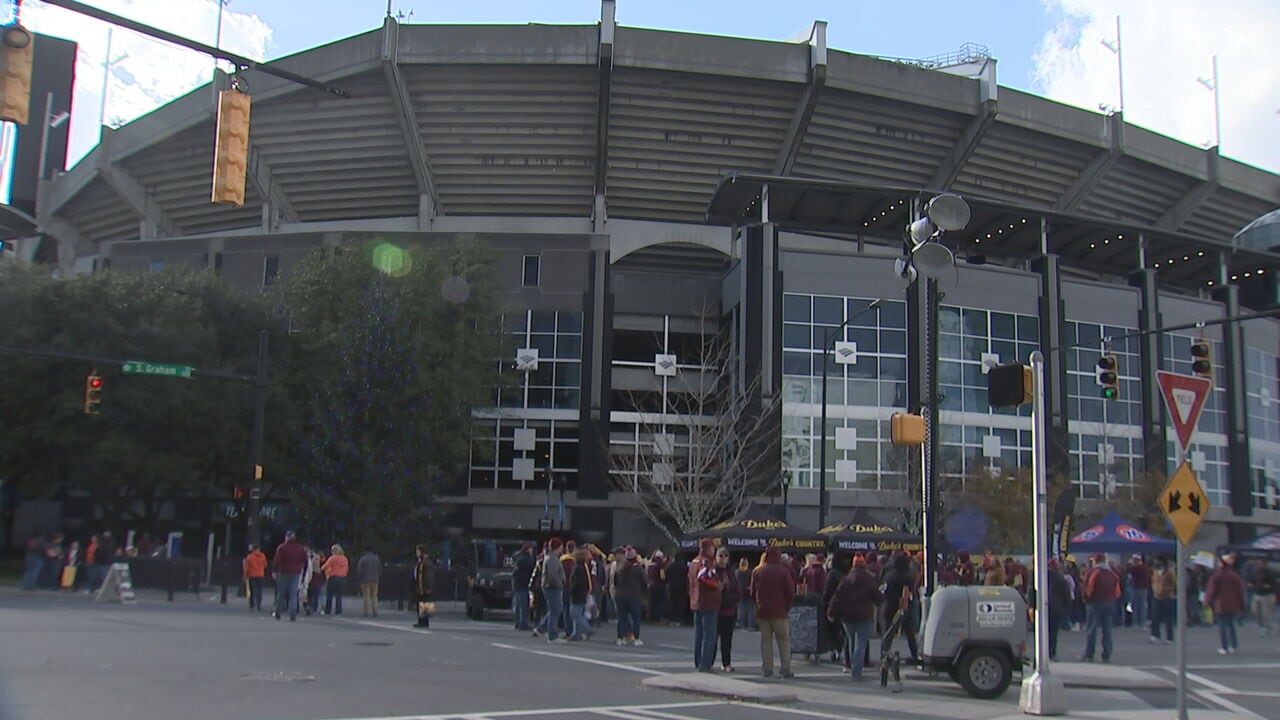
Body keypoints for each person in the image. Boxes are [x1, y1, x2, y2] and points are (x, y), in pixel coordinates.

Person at [828, 553, 882, 681]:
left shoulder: (845, 579)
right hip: (864, 616)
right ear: (864, 565)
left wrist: (831, 612)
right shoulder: (869, 579)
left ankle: (853, 667)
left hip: (848, 617)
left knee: (852, 643)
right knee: (860, 644)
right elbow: (878, 598)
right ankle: (856, 672)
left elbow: (837, 597)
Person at [752, 546, 797, 679]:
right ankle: (786, 668)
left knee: (766, 641)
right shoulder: (783, 572)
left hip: (762, 611)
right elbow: (790, 592)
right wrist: (787, 607)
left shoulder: (757, 571)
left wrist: (757, 606)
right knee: (783, 641)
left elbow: (752, 592)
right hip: (780, 612)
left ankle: (767, 668)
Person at [688, 538, 723, 672]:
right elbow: (704, 577)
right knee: (709, 635)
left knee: (699, 634)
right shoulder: (706, 562)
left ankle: (698, 662)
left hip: (696, 602)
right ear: (709, 548)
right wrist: (717, 585)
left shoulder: (694, 561)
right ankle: (705, 664)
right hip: (708, 602)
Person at [1080, 553, 1121, 662]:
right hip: (1109, 603)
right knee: (1107, 630)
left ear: (1096, 561)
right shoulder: (1112, 573)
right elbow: (1117, 591)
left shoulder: (1093, 572)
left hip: (1095, 603)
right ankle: (1107, 654)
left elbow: (1088, 588)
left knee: (1091, 629)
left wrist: (1086, 599)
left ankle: (1089, 654)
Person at [1204, 552, 1246, 654]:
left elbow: (1211, 590)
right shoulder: (1235, 576)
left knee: (1222, 625)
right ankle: (1234, 646)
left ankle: (1224, 647)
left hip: (1220, 604)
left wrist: (1207, 602)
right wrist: (1241, 605)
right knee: (1231, 624)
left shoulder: (1216, 576)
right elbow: (1240, 591)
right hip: (1233, 604)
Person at [881, 552, 920, 663]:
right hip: (901, 607)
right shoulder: (906, 576)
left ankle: (884, 656)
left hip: (887, 605)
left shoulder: (888, 574)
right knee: (909, 632)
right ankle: (914, 654)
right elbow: (908, 593)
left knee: (887, 632)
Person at [610, 545, 648, 646]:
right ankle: (636, 638)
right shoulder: (638, 569)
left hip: (620, 595)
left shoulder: (619, 568)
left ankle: (620, 638)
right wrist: (645, 595)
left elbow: (615, 582)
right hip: (634, 595)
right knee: (636, 618)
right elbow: (644, 582)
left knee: (622, 618)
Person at [714, 547, 740, 672]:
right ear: (716, 557)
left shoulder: (731, 572)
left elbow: (736, 588)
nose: (723, 558)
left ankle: (726, 663)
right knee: (712, 638)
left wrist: (735, 599)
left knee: (727, 639)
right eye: (721, 555)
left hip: (730, 610)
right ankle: (709, 662)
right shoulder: (713, 571)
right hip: (716, 609)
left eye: (725, 555)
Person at [271, 531, 308, 621]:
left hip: (284, 572)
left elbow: (277, 560)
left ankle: (278, 612)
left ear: (287, 537)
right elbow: (305, 560)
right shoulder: (300, 548)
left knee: (281, 593)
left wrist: (274, 570)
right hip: (296, 572)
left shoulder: (282, 547)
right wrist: (302, 570)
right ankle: (292, 613)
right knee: (293, 593)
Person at [539, 538, 567, 643]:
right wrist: (560, 584)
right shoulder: (552, 559)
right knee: (555, 610)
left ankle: (544, 629)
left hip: (550, 586)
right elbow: (553, 575)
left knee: (553, 610)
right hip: (552, 587)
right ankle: (552, 635)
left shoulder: (551, 557)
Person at [1149, 557, 1176, 644]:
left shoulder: (1170, 572)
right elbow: (1153, 582)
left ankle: (1169, 637)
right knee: (1154, 616)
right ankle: (1155, 635)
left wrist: (1166, 590)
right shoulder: (1155, 572)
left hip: (1167, 597)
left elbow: (1174, 584)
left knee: (1168, 618)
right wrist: (1155, 590)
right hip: (1157, 597)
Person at [568, 547, 593, 641]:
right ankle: (576, 634)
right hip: (582, 593)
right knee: (578, 613)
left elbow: (577, 582)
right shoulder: (583, 567)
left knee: (575, 614)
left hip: (577, 594)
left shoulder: (578, 568)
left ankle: (587, 629)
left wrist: (571, 590)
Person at [1246, 558, 1275, 636]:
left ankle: (1265, 628)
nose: (1258, 565)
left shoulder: (1269, 572)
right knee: (1255, 610)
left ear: (1264, 564)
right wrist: (1250, 583)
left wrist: (1268, 586)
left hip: (1267, 595)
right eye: (1257, 563)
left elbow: (1273, 582)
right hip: (1257, 593)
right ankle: (1264, 625)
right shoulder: (1256, 571)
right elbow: (1252, 579)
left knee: (1266, 613)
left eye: (1260, 563)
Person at [511, 542, 535, 631]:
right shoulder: (525, 559)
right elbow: (531, 566)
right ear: (527, 549)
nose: (532, 550)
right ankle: (523, 623)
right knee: (524, 604)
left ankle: (518, 622)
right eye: (531, 549)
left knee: (518, 604)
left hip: (517, 582)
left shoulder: (518, 557)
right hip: (522, 583)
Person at [321, 544, 349, 616]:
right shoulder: (345, 558)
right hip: (342, 578)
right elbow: (347, 569)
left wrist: (322, 568)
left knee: (329, 594)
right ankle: (338, 610)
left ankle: (328, 610)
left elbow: (325, 566)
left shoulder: (332, 558)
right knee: (339, 595)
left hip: (333, 577)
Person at [1127, 554, 1152, 631]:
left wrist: (1130, 564)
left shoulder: (1134, 568)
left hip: (1135, 588)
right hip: (1144, 589)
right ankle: (1143, 623)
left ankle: (1136, 623)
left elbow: (1129, 571)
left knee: (1135, 607)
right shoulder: (1145, 568)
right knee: (1143, 607)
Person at [356, 547, 382, 617]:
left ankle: (366, 611)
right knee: (374, 596)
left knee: (366, 596)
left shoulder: (363, 559)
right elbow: (379, 568)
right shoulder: (376, 558)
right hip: (375, 579)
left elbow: (359, 569)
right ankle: (375, 611)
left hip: (365, 580)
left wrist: (360, 577)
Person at [412, 545, 433, 628]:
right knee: (421, 605)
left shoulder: (426, 563)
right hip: (420, 587)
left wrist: (427, 587)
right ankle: (422, 620)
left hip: (423, 588)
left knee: (424, 605)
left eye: (417, 551)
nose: (416, 553)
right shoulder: (421, 562)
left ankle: (424, 621)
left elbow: (428, 576)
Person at [243, 544, 268, 611]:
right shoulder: (263, 556)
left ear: (253, 549)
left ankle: (252, 604)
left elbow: (246, 568)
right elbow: (265, 565)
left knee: (252, 590)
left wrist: (245, 576)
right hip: (261, 575)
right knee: (259, 590)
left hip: (252, 575)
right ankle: (258, 604)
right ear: (258, 549)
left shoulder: (249, 557)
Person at [647, 549, 667, 623]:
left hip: (651, 584)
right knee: (659, 603)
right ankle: (657, 618)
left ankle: (651, 618)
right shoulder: (660, 565)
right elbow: (662, 576)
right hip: (658, 585)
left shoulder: (650, 564)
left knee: (652, 602)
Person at [736, 557, 756, 630]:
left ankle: (742, 624)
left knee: (742, 610)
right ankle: (750, 625)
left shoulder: (737, 572)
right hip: (748, 594)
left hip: (740, 595)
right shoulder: (750, 572)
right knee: (750, 610)